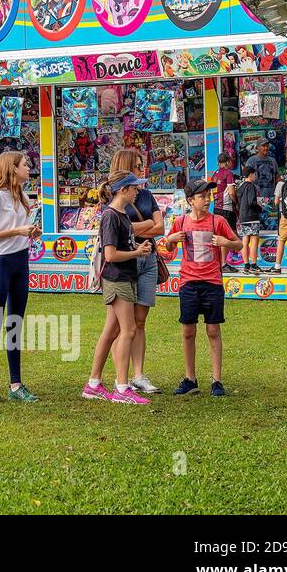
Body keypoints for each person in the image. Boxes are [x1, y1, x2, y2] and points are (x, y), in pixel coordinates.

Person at [159, 180, 242, 397]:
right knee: (188, 330)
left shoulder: (218, 220)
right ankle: (190, 379)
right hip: (188, 282)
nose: (207, 200)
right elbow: (168, 247)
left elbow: (239, 244)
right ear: (190, 201)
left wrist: (226, 242)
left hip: (212, 282)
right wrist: (171, 239)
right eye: (202, 196)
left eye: (209, 196)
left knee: (213, 330)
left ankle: (217, 381)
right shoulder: (181, 221)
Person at [81, 170, 155, 404]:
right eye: (134, 188)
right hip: (117, 279)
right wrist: (137, 251)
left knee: (111, 331)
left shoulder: (121, 214)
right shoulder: (111, 216)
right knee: (129, 330)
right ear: (123, 189)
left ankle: (93, 384)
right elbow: (110, 255)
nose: (137, 191)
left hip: (124, 278)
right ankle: (122, 387)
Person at [0, 150, 42, 403]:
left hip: (20, 262)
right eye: (25, 164)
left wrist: (30, 233)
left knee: (15, 322)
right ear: (12, 168)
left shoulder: (23, 196)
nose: (29, 167)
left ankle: (16, 385)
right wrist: (16, 230)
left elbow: (17, 232)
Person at [110, 147, 164, 395]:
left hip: (149, 259)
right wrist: (145, 225)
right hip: (125, 262)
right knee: (121, 324)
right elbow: (120, 228)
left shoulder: (146, 195)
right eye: (137, 165)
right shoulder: (113, 194)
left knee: (140, 320)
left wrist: (135, 228)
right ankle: (120, 376)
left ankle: (139, 374)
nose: (142, 169)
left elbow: (160, 227)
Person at [236, 164, 262, 272]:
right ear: (251, 175)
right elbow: (252, 202)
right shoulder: (251, 186)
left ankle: (246, 265)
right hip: (252, 216)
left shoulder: (241, 187)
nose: (255, 176)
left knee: (245, 240)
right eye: (254, 174)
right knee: (254, 239)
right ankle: (254, 264)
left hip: (243, 216)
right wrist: (259, 208)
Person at [212, 152, 238, 237]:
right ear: (227, 162)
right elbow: (231, 192)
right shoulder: (228, 173)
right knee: (231, 235)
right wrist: (237, 202)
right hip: (226, 208)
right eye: (230, 161)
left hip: (216, 209)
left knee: (220, 235)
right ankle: (232, 250)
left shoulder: (214, 175)